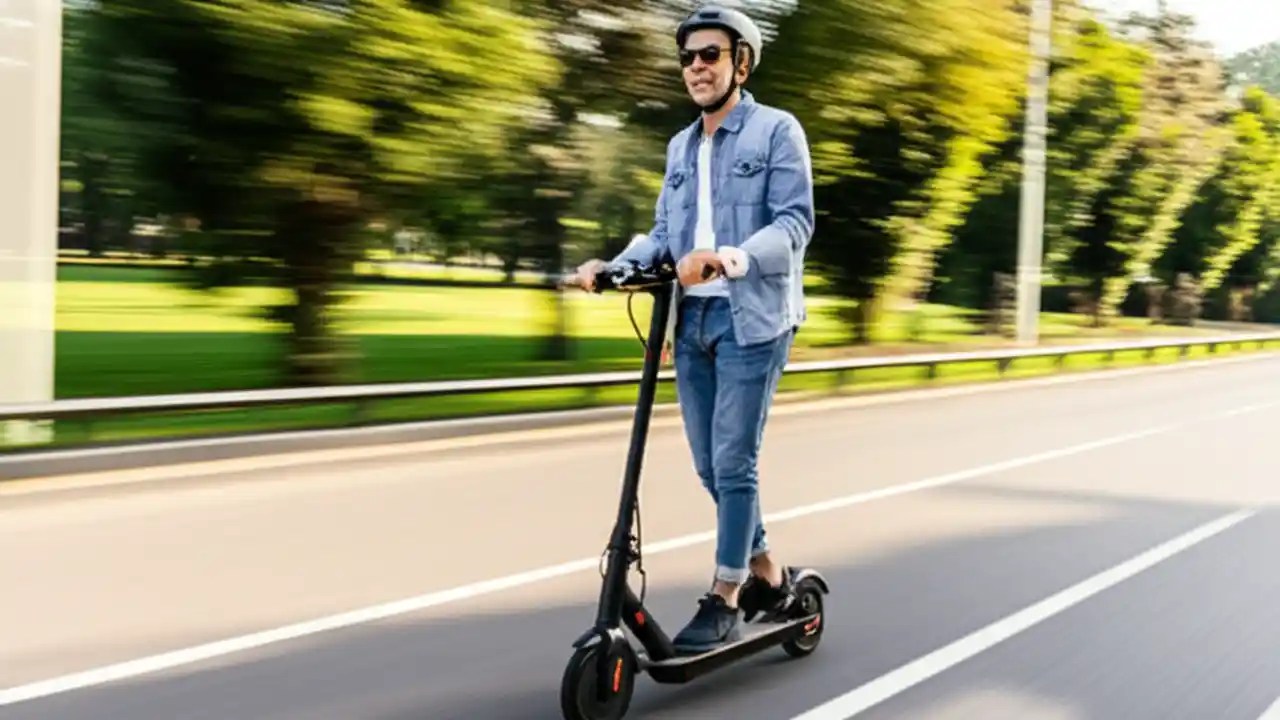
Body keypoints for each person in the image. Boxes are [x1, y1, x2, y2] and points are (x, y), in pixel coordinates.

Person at [573, 4, 815, 654]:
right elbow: (662, 236)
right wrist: (613, 269)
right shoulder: (680, 147)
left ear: (740, 62)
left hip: (751, 317)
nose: (696, 67)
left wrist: (729, 258)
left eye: (710, 54)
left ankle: (727, 594)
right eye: (687, 57)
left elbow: (794, 224)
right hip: (692, 320)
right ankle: (768, 571)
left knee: (735, 461)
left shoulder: (776, 132)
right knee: (712, 466)